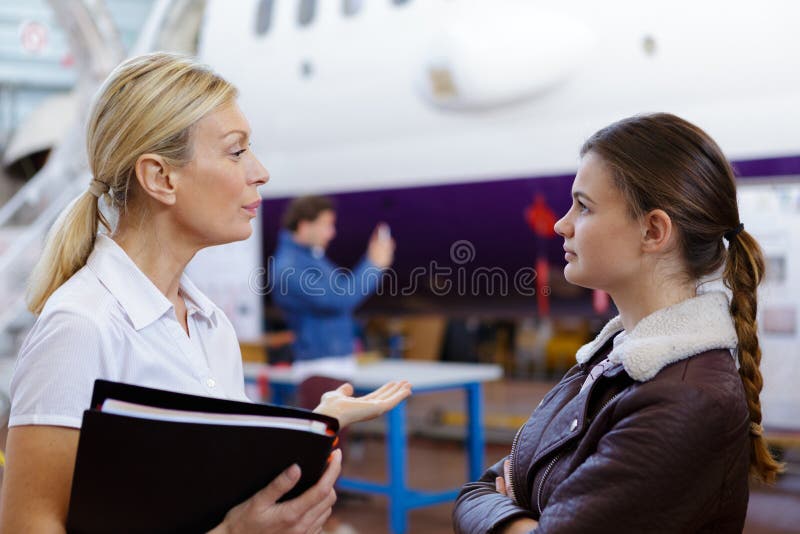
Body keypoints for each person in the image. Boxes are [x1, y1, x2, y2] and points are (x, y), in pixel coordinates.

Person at [0, 52, 411, 533]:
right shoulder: (80, 327)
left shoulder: (210, 325)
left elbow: (202, 487)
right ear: (160, 177)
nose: (260, 171)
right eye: (236, 151)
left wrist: (309, 430)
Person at [453, 113, 782, 533]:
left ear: (653, 230)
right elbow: (475, 492)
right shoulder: (613, 360)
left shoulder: (683, 401)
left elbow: (498, 494)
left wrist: (508, 513)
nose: (561, 224)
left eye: (583, 206)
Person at [272, 195, 395, 384]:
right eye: (326, 225)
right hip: (320, 372)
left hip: (332, 368)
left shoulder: (310, 259)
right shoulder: (290, 268)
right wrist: (374, 265)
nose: (331, 233)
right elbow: (340, 298)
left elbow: (341, 294)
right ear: (304, 226)